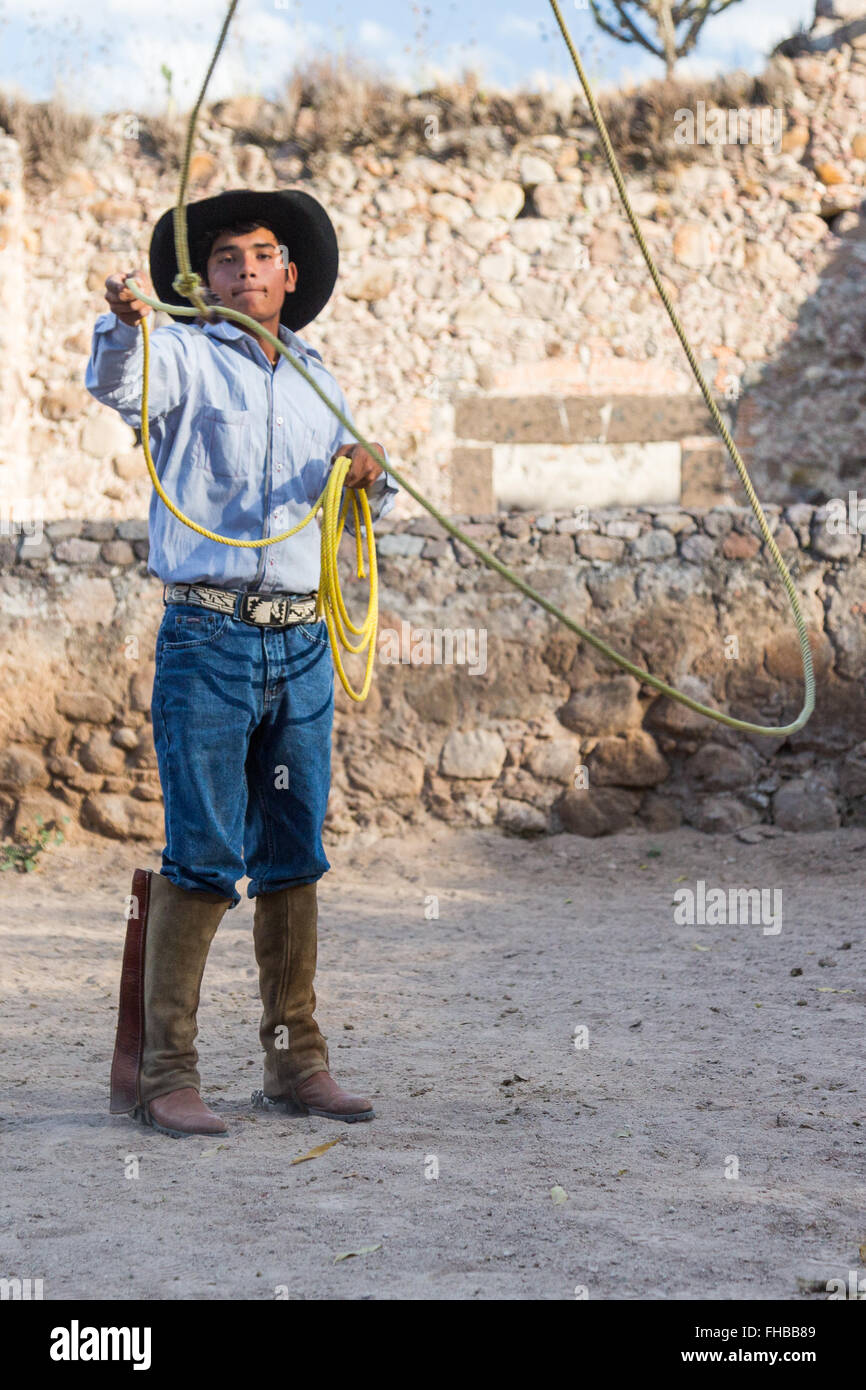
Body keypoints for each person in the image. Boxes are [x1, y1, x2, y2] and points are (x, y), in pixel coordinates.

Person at [85, 187, 398, 1138]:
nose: (247, 270)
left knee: (294, 850)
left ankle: (294, 1063)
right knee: (205, 849)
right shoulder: (176, 355)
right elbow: (118, 380)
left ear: (290, 276)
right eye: (227, 258)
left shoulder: (320, 381)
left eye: (263, 255)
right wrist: (123, 322)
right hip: (209, 635)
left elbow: (352, 512)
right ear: (202, 279)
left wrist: (367, 477)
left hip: (303, 636)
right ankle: (164, 1073)